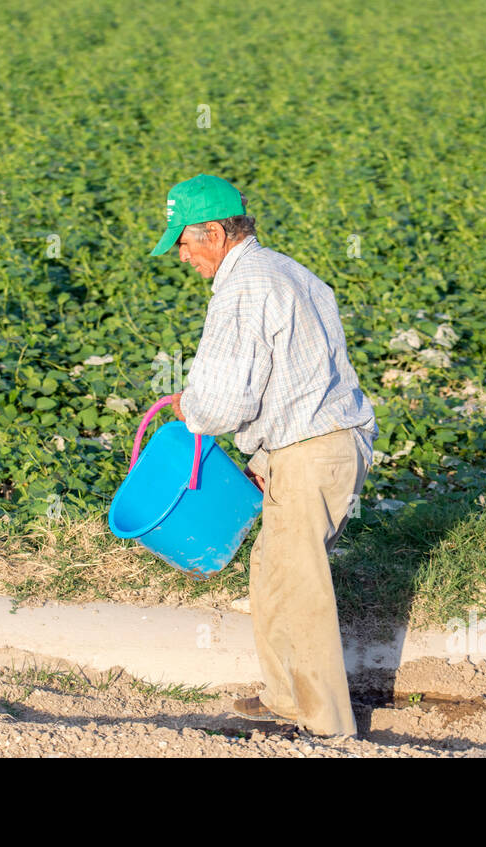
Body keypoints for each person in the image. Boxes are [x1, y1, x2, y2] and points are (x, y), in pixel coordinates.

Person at [150, 173, 377, 738]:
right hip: (311, 446)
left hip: (312, 451)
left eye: (183, 242)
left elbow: (223, 401)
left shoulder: (243, 287)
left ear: (215, 233)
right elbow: (299, 375)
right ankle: (285, 698)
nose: (182, 256)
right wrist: (266, 456)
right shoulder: (286, 270)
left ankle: (328, 729)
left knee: (300, 586)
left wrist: (189, 408)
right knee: (273, 573)